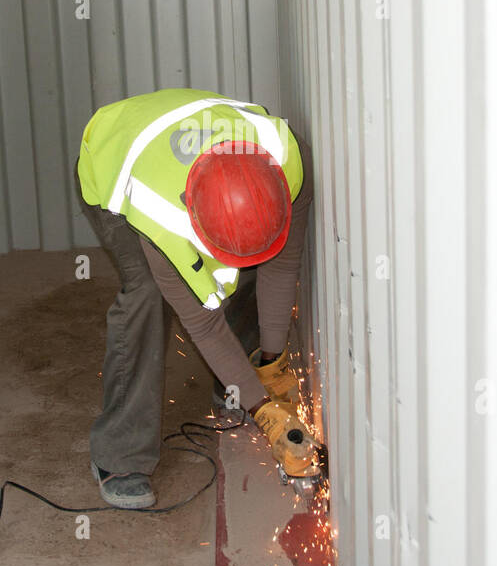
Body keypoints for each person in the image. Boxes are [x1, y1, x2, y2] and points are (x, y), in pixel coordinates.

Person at [77, 88, 319, 508]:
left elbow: (281, 264)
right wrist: (267, 410)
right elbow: (203, 322)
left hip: (186, 141)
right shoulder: (159, 214)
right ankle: (121, 453)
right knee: (147, 294)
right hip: (115, 158)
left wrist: (271, 363)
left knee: (254, 257)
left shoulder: (289, 159)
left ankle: (235, 383)